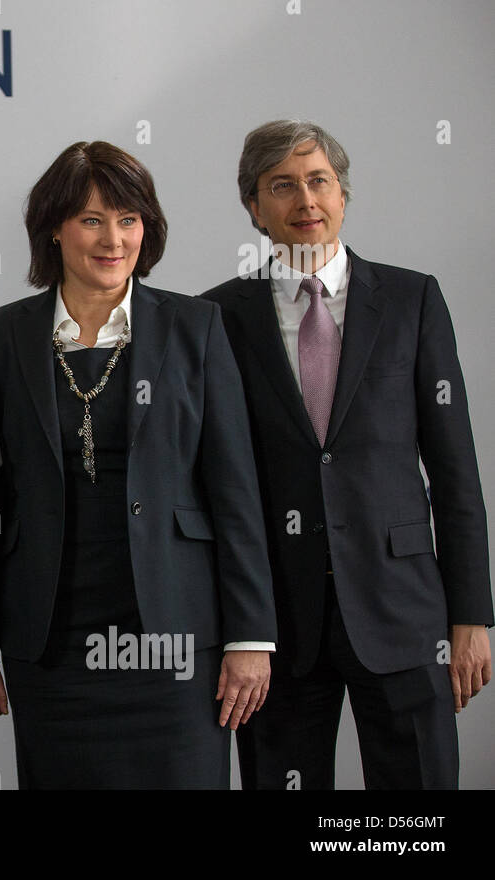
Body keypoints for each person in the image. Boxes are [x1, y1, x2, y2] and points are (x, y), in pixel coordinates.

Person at [0, 141, 277, 789]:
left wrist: (251, 636)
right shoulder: (0, 336)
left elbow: (235, 490)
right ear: (53, 228)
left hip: (176, 649)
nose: (113, 239)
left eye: (128, 220)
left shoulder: (196, 327)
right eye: (91, 219)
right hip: (52, 653)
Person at [202, 121, 493, 789]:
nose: (305, 200)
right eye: (282, 186)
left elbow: (456, 473)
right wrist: (235, 627)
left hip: (405, 610)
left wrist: (471, 616)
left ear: (343, 193)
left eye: (318, 181)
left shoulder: (412, 299)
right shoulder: (217, 316)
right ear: (254, 207)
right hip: (275, 623)